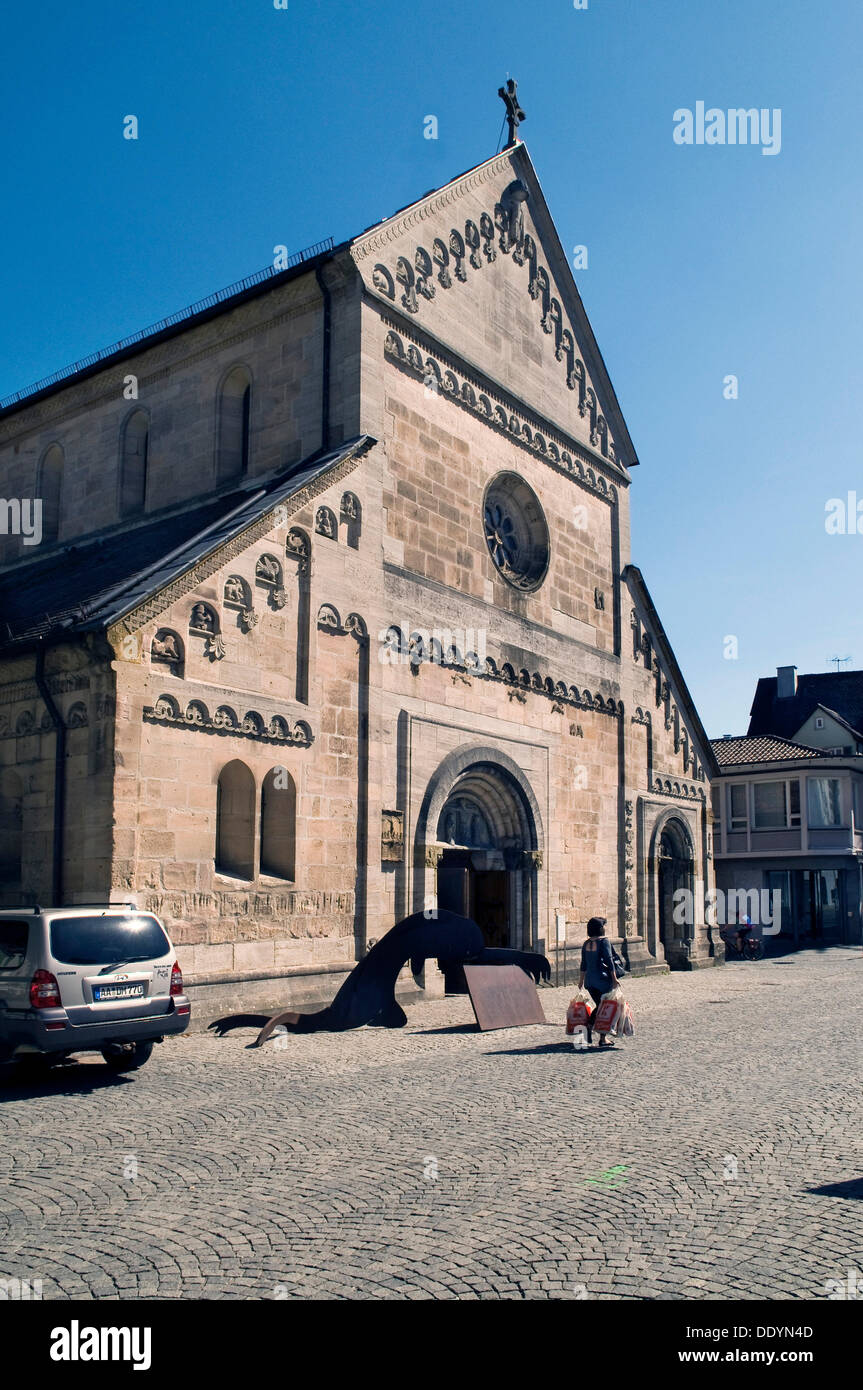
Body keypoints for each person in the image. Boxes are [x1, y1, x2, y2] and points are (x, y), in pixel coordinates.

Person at [578, 916, 620, 1048]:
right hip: (602, 979)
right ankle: (602, 1037)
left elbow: (583, 964)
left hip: (590, 981)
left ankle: (589, 1028)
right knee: (606, 1007)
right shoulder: (604, 942)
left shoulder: (586, 943)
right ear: (600, 929)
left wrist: (581, 981)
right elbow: (609, 960)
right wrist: (614, 979)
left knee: (600, 1005)